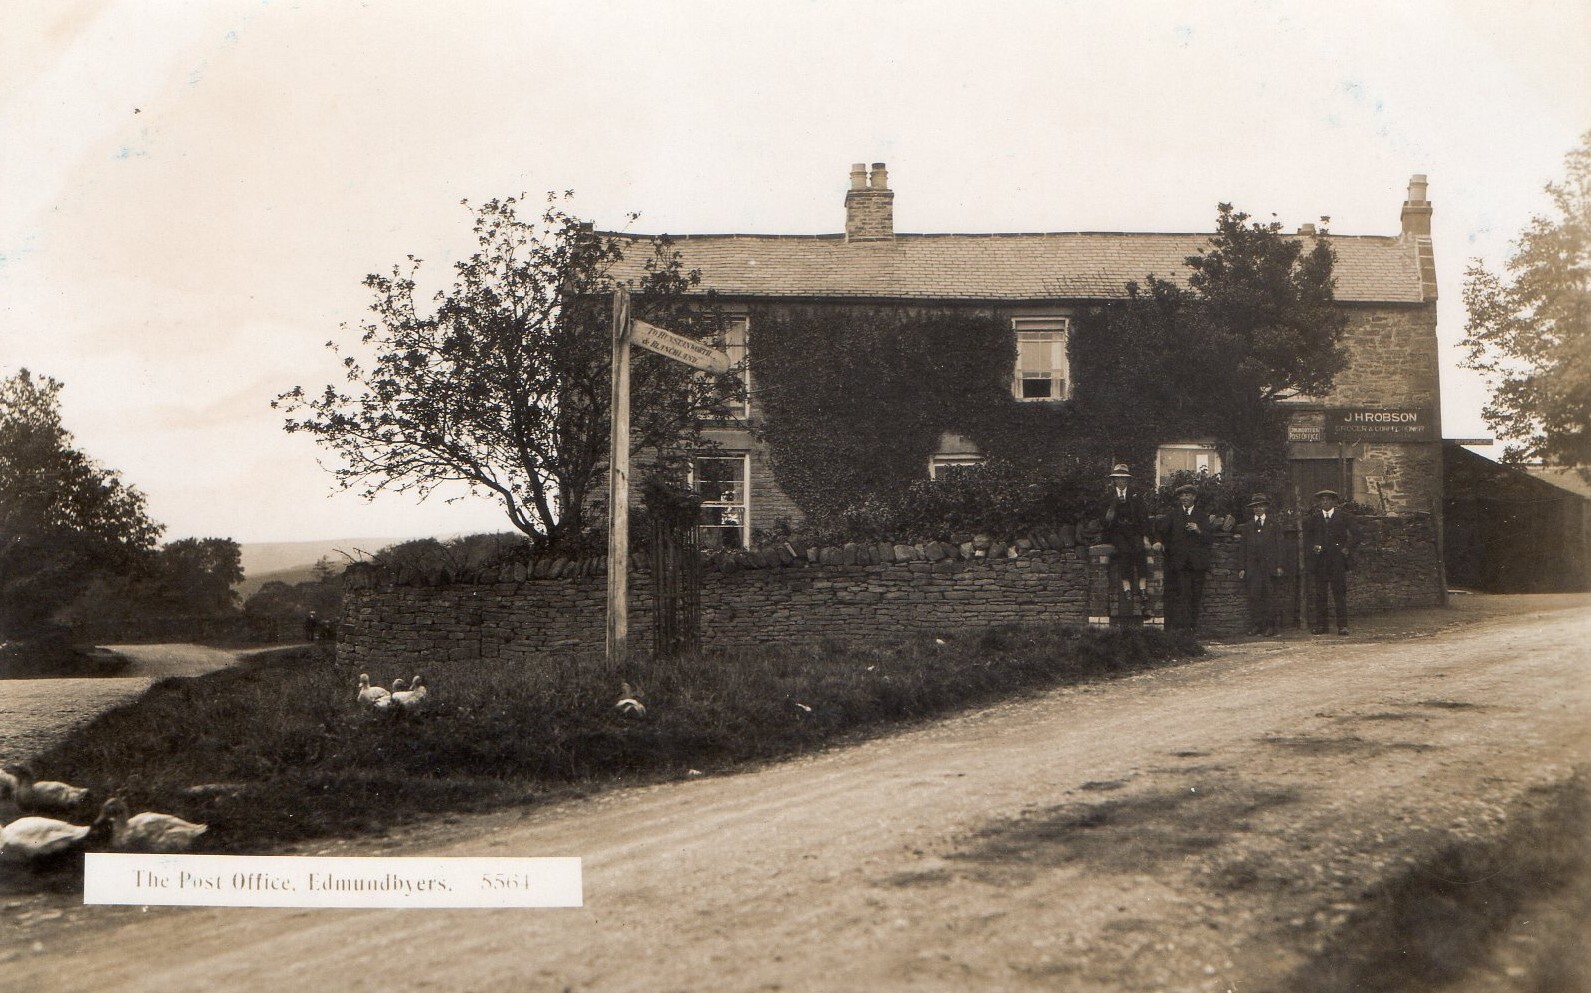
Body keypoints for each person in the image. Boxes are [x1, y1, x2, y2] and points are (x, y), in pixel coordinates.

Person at [1156, 483, 1212, 631]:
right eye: (1182, 495)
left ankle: (1192, 627)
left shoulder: (1201, 515)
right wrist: (1159, 542)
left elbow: (1209, 538)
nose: (1184, 498)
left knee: (1195, 596)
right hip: (1179, 563)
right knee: (1182, 595)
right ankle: (1183, 629)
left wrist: (1198, 529)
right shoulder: (1173, 515)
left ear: (1194, 497)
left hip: (1197, 564)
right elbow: (1161, 531)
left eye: (1187, 495)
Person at [1303, 487, 1356, 635]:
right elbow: (1307, 538)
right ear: (1319, 503)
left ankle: (1342, 626)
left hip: (1337, 561)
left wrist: (1347, 548)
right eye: (1322, 500)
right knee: (1321, 595)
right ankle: (1322, 626)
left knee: (1339, 594)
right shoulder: (1313, 519)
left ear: (1334, 502)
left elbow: (1358, 534)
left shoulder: (1344, 517)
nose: (1325, 502)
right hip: (1320, 562)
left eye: (1328, 500)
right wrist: (1314, 547)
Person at [1101, 463, 1152, 610]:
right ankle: (1127, 588)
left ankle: (1142, 588)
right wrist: (1113, 507)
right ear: (1114, 480)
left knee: (1140, 550)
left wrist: (1146, 537)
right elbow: (1104, 520)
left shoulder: (1135, 495)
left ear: (1127, 480)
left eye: (1124, 478)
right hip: (1116, 532)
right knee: (1124, 551)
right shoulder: (1108, 497)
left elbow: (1143, 517)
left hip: (1133, 531)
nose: (1121, 481)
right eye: (1118, 478)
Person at [1236, 493, 1287, 636]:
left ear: (1265, 507)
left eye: (1260, 505)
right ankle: (1257, 625)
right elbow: (1243, 549)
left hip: (1269, 567)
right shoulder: (1247, 526)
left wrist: (1279, 565)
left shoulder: (1274, 525)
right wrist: (1242, 568)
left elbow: (1280, 547)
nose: (1258, 508)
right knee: (1254, 596)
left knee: (1270, 596)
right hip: (1253, 568)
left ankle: (1270, 626)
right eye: (1255, 506)